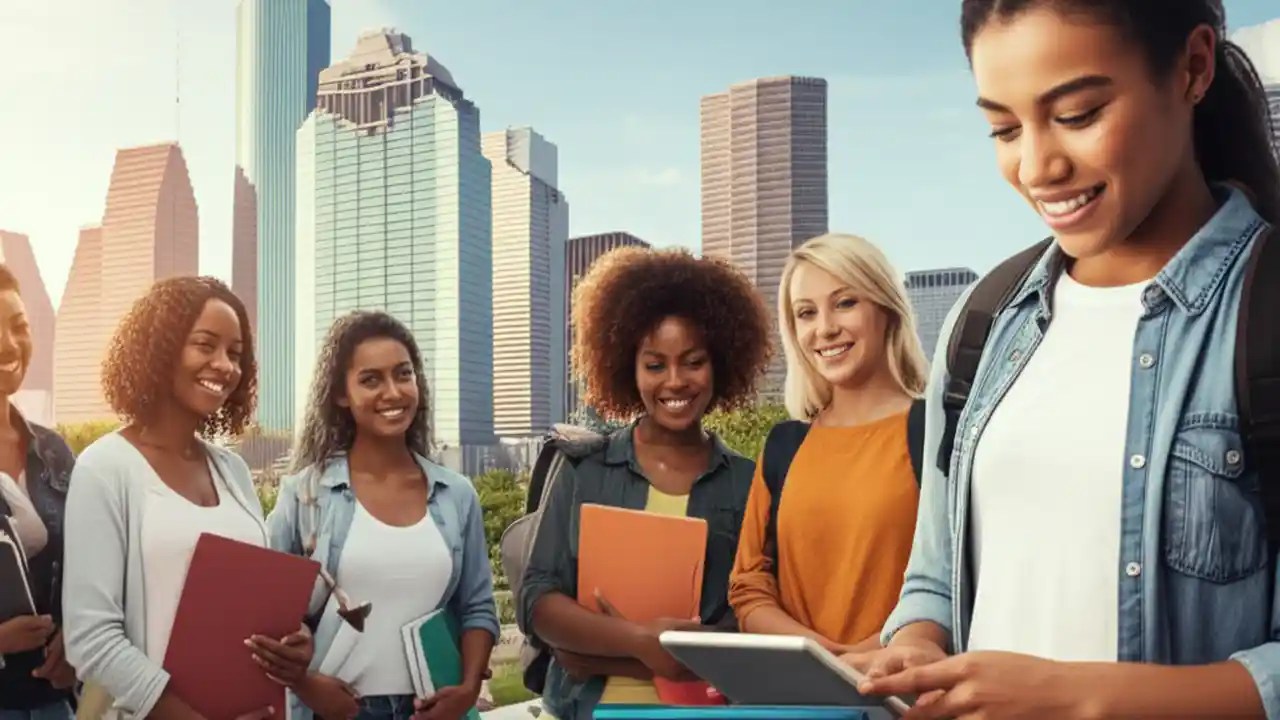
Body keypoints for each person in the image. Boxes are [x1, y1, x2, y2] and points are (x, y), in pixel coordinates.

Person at [849, 1, 1280, 718]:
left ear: (1193, 68)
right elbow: (935, 578)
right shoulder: (981, 322)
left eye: (1078, 114)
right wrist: (920, 646)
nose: (1037, 166)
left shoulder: (1264, 314)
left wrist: (1078, 697)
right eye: (1004, 128)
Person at [518, 246, 774, 720]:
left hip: (699, 712)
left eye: (692, 362)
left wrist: (599, 655)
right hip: (585, 710)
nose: (674, 382)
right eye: (655, 365)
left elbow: (749, 623)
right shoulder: (582, 469)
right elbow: (538, 601)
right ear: (628, 368)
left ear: (719, 363)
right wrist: (642, 643)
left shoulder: (748, 483)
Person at [62, 276, 314, 720]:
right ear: (160, 350)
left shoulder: (232, 470)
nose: (224, 365)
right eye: (205, 345)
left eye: (235, 354)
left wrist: (291, 645)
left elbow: (249, 604)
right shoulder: (105, 468)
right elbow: (91, 639)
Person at [267, 310, 499, 720]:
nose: (393, 392)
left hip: (434, 707)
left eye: (403, 374)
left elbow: (478, 605)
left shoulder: (456, 495)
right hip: (337, 711)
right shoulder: (305, 495)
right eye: (371, 380)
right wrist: (308, 685)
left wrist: (467, 690)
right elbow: (267, 618)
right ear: (341, 394)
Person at [728, 233, 929, 654]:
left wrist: (870, 660)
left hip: (908, 697)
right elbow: (748, 586)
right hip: (798, 699)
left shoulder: (936, 432)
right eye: (805, 313)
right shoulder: (784, 446)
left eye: (845, 303)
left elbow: (964, 580)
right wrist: (823, 659)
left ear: (887, 308)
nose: (825, 328)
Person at [0, 265, 77, 720]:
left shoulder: (53, 451)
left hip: (54, 703)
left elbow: (88, 567)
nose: (10, 345)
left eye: (19, 326)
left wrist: (77, 637)